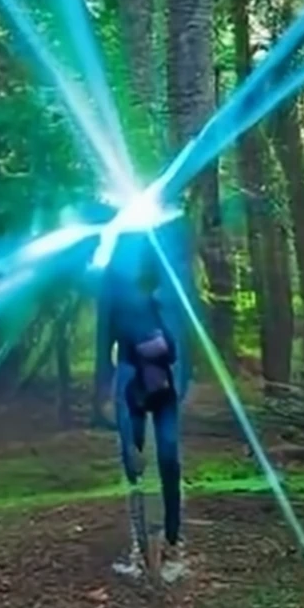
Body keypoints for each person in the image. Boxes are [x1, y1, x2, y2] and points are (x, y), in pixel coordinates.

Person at [96, 234, 189, 584]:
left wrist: (181, 375)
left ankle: (172, 540)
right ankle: (140, 545)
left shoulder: (162, 288)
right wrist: (103, 390)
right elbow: (105, 341)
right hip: (132, 380)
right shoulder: (114, 289)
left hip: (160, 382)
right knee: (133, 460)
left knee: (168, 458)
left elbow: (179, 341)